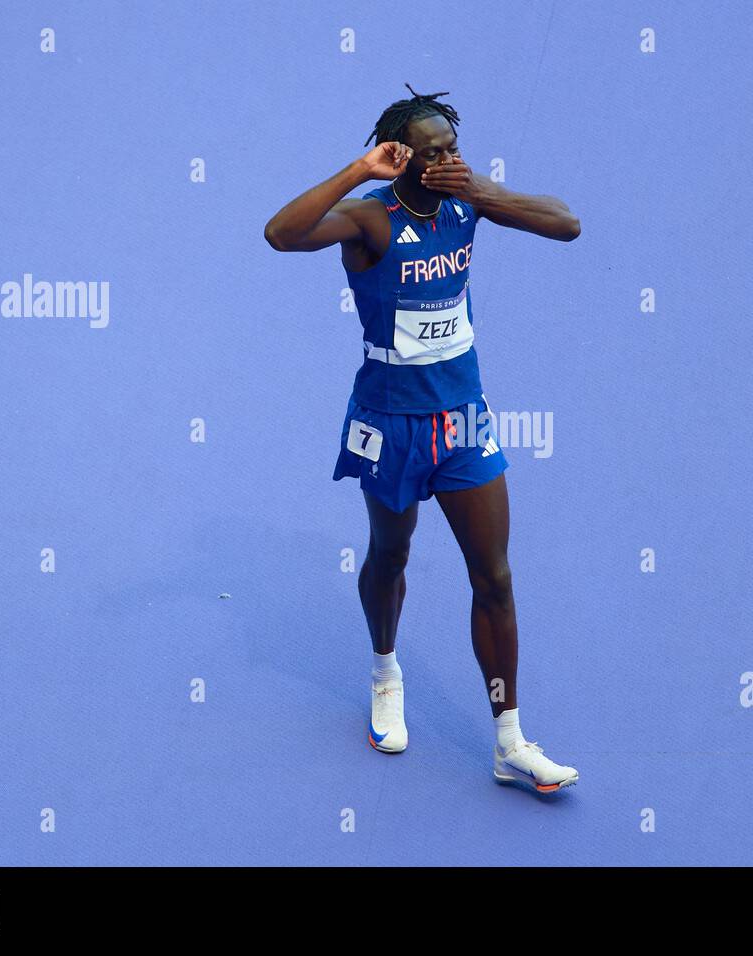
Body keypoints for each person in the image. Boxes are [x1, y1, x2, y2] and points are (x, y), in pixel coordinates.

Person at [264, 84, 581, 794]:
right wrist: (358, 170)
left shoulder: (469, 203)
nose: (445, 161)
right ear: (400, 156)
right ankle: (385, 671)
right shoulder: (372, 220)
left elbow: (567, 224)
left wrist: (482, 188)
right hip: (390, 424)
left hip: (462, 421)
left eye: (452, 149)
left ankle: (510, 742)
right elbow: (282, 234)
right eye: (430, 153)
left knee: (494, 576)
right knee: (391, 552)